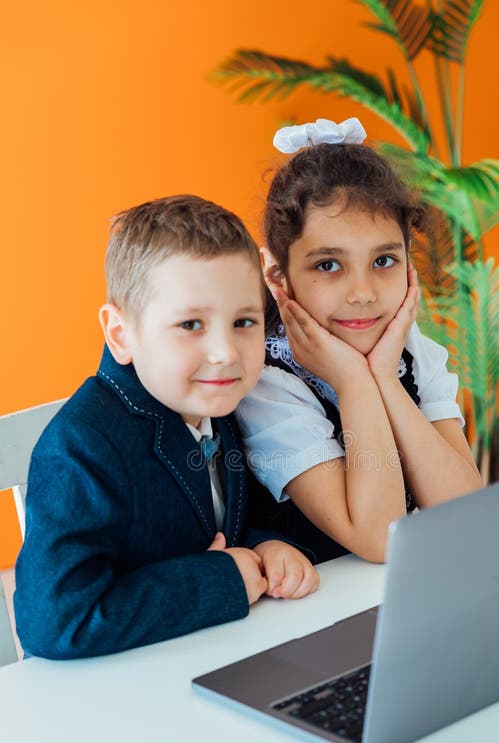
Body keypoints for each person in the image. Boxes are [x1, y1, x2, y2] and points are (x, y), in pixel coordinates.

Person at [15, 195, 319, 660]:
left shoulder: (213, 398)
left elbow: (214, 529)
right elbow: (55, 619)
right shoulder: (82, 446)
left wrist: (265, 547)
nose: (225, 352)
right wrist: (221, 579)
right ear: (121, 334)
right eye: (191, 324)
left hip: (208, 658)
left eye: (244, 321)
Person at [237, 118, 482, 564]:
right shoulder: (266, 380)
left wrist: (384, 378)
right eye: (329, 265)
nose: (363, 293)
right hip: (309, 620)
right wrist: (353, 381)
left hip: (390, 603)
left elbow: (465, 513)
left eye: (384, 260)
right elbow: (380, 539)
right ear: (279, 276)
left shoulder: (408, 350)